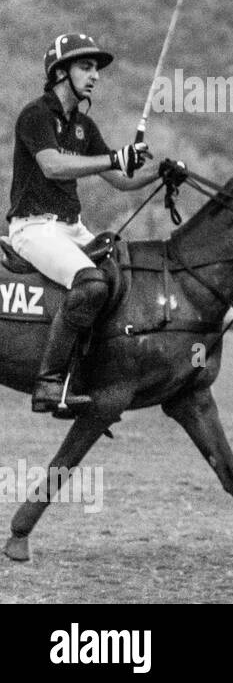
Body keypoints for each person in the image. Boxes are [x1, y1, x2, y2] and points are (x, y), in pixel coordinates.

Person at [9, 32, 157, 414]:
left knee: (122, 274)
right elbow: (53, 165)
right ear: (60, 73)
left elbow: (122, 180)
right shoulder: (35, 115)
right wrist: (114, 158)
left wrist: (159, 172)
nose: (95, 76)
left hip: (71, 227)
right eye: (85, 67)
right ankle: (49, 384)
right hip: (33, 228)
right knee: (90, 284)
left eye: (96, 69)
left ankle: (99, 369)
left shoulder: (84, 127)